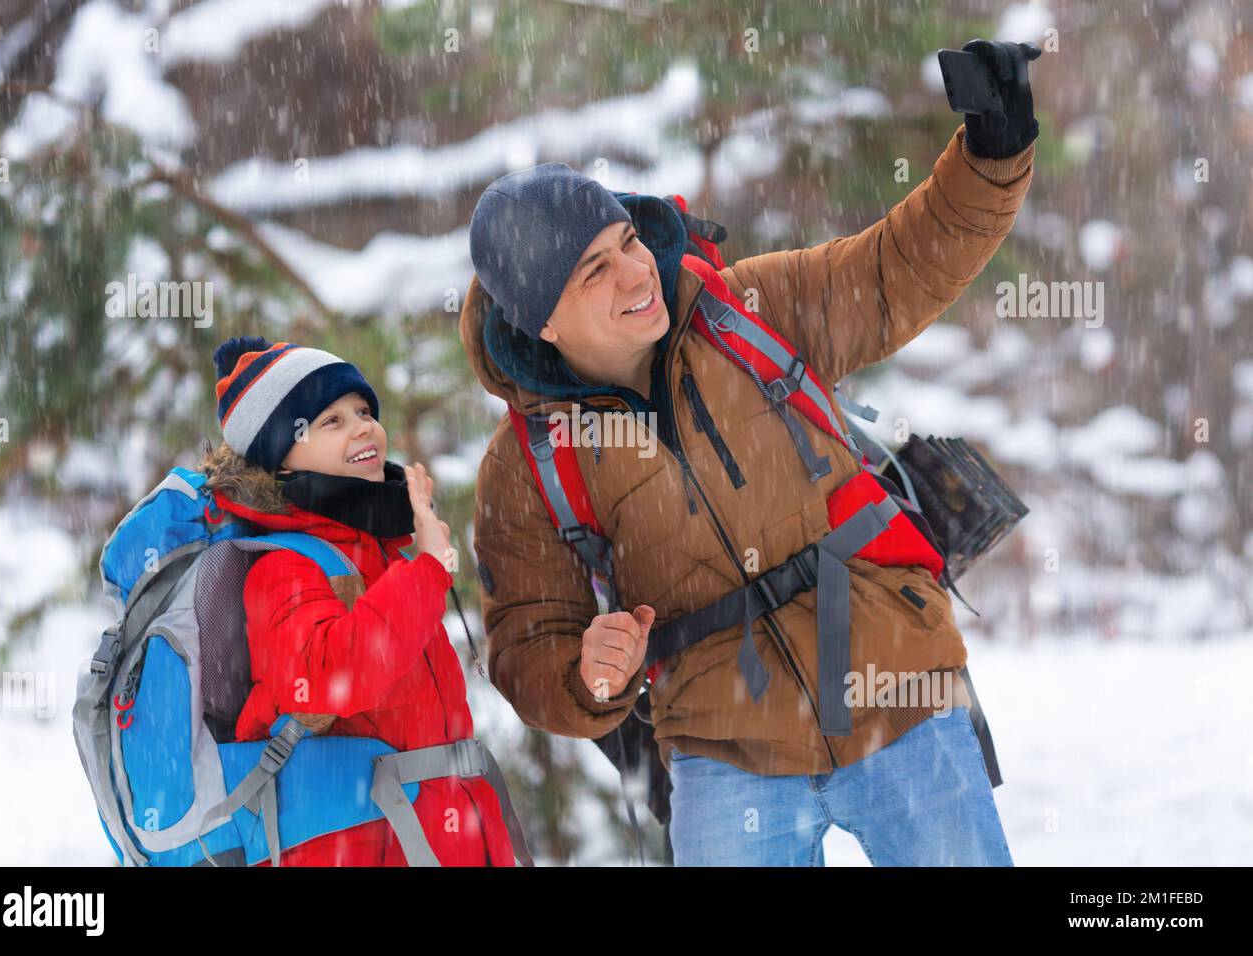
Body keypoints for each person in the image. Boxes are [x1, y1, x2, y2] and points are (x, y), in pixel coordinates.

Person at [461, 40, 1039, 865]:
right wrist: (587, 674)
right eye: (595, 269)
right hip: (723, 747)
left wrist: (993, 149)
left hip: (893, 682)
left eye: (628, 241)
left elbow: (896, 268)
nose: (636, 273)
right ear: (541, 322)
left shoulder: (748, 311)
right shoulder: (526, 467)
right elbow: (525, 641)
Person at [201, 335, 516, 866]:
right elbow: (329, 675)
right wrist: (429, 572)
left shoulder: (381, 555)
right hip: (358, 844)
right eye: (332, 421)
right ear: (280, 459)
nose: (363, 426)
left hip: (436, 834)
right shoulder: (282, 566)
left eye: (363, 410)